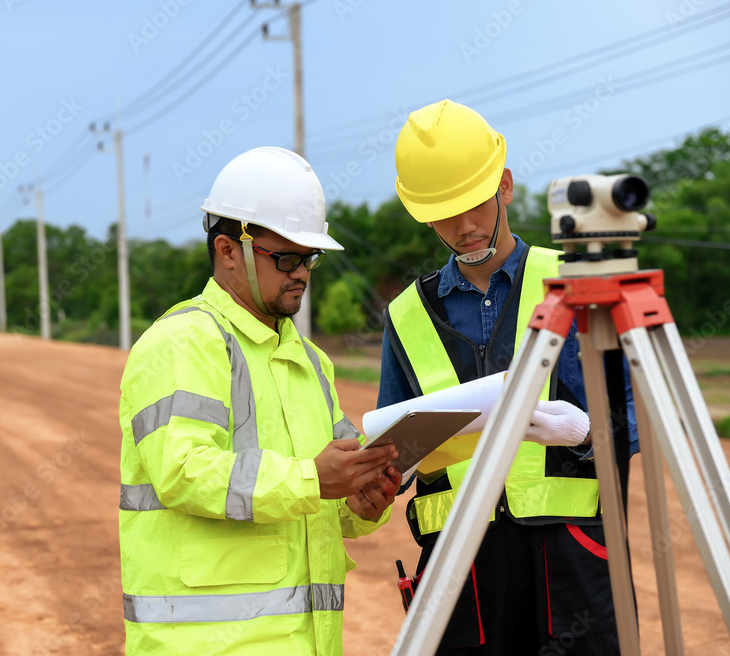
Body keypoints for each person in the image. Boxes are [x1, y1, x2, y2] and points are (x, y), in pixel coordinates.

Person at [378, 100, 639, 655]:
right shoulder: (405, 315)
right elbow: (392, 452)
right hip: (457, 567)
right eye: (444, 212)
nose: (464, 226)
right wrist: (387, 465)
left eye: (474, 204)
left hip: (570, 558)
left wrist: (589, 432)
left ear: (506, 186)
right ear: (422, 213)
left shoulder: (574, 283)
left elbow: (635, 420)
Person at [118, 146, 402, 656]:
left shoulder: (310, 361)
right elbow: (184, 472)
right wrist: (315, 479)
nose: (302, 274)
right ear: (228, 250)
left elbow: (318, 503)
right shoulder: (183, 342)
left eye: (308, 259)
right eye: (286, 258)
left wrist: (360, 503)